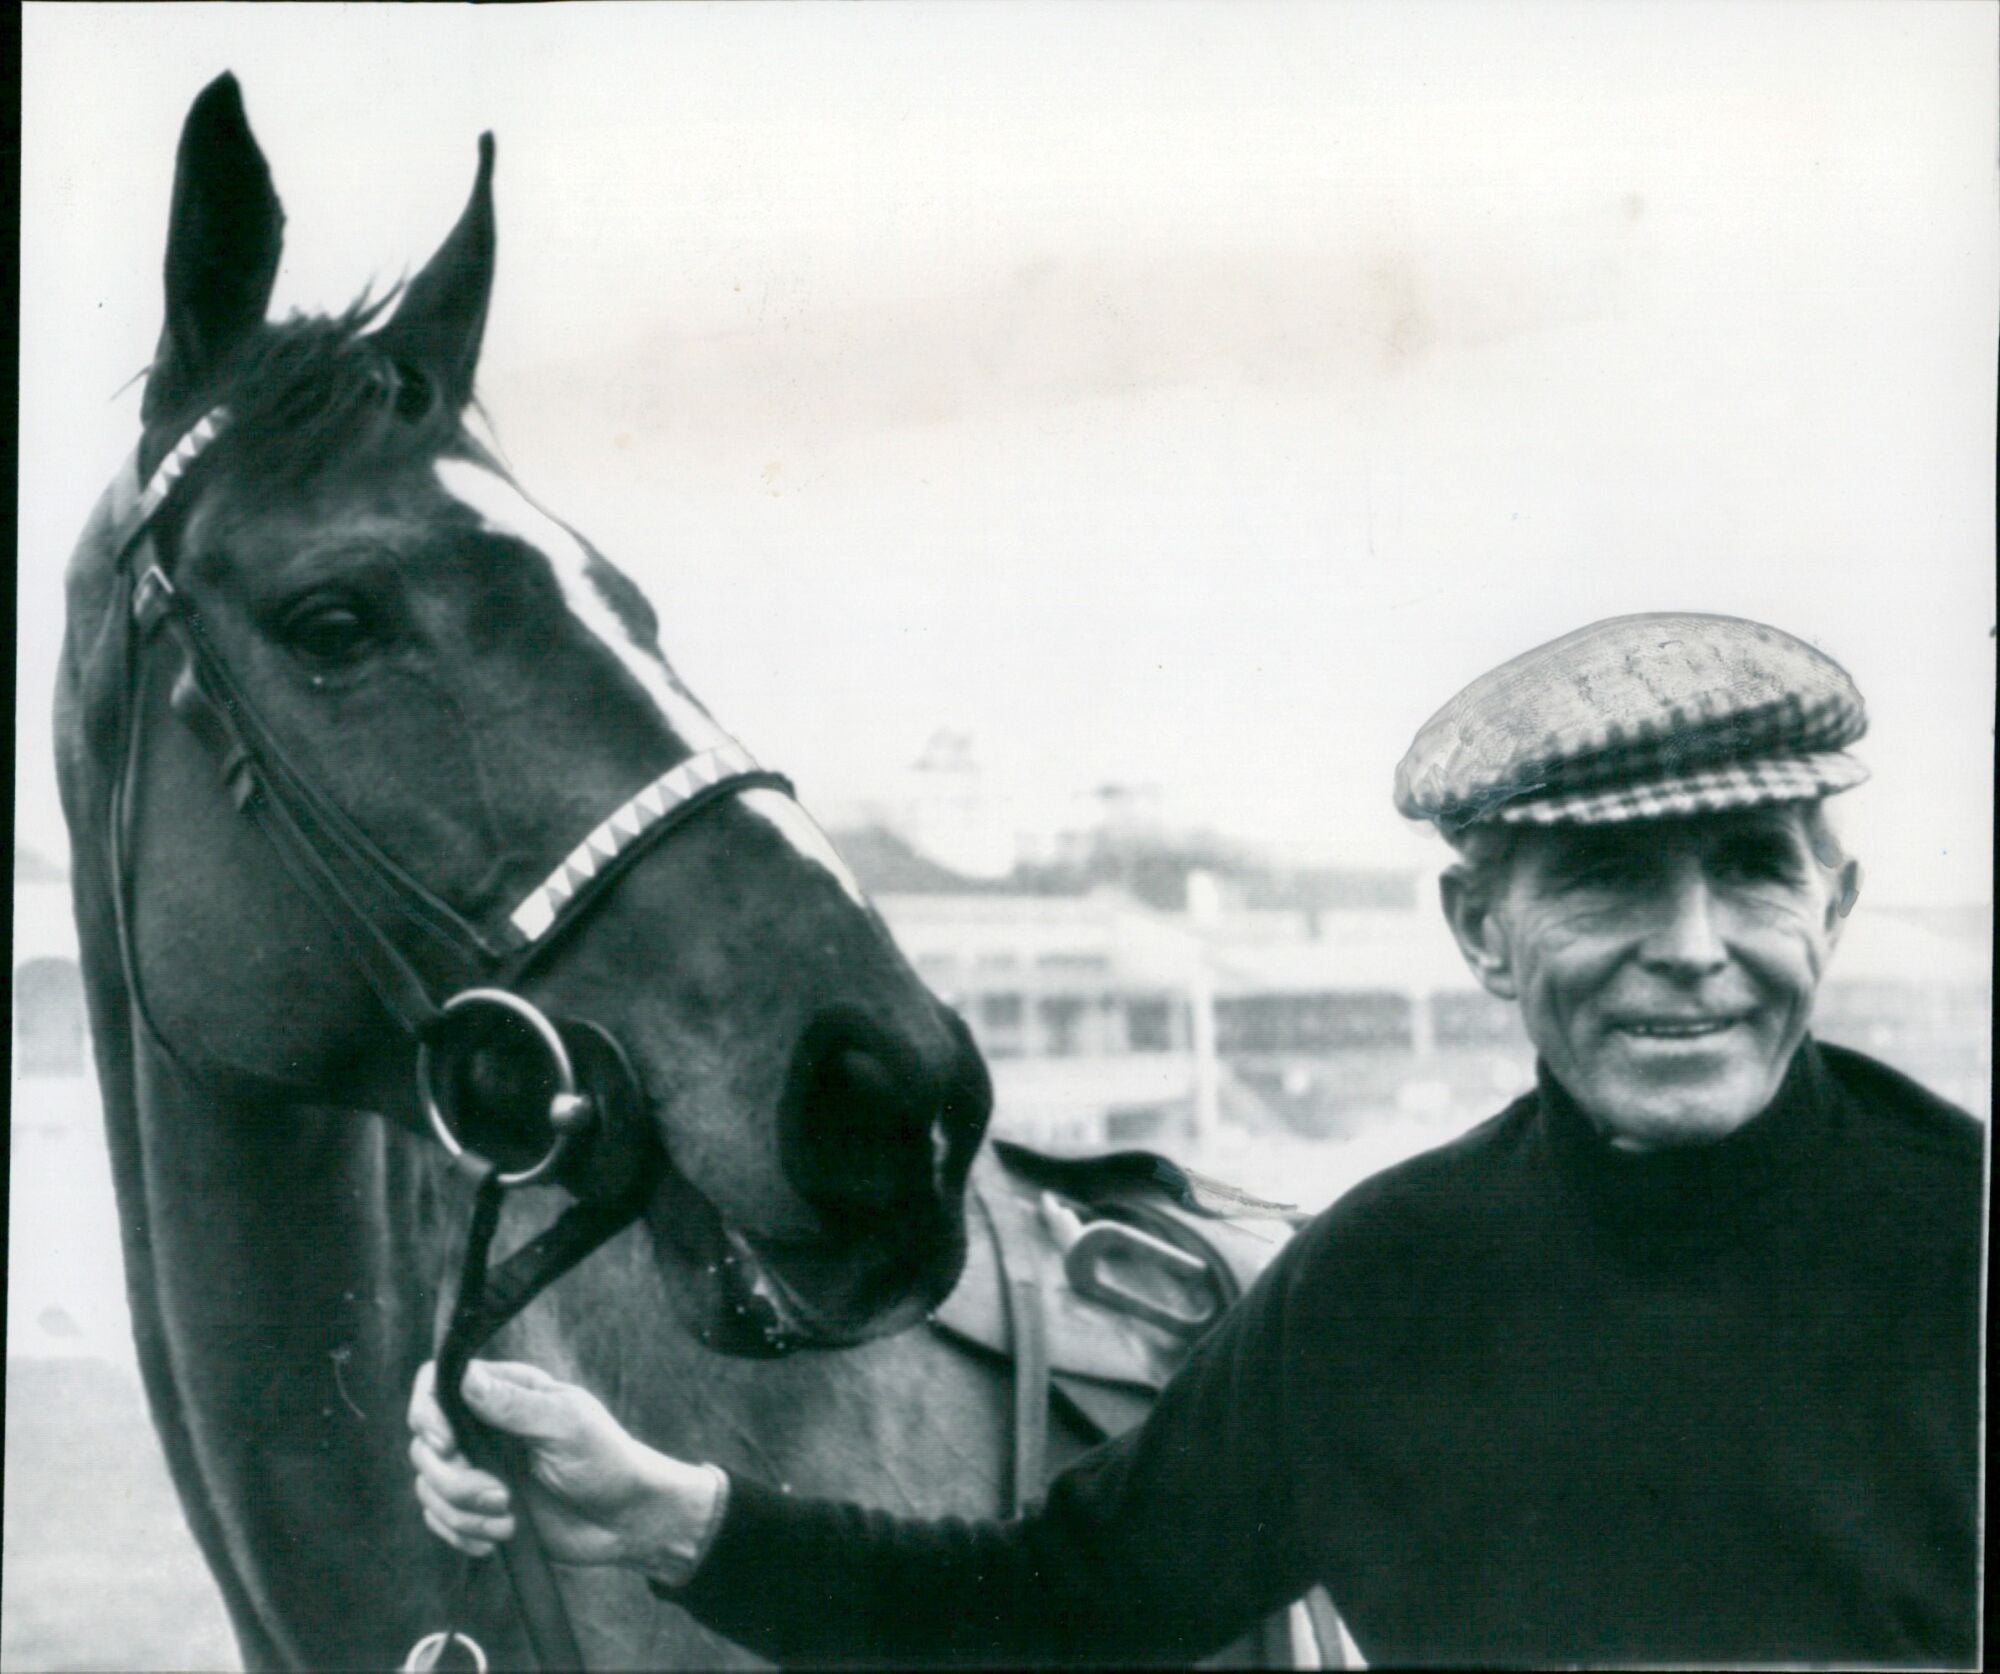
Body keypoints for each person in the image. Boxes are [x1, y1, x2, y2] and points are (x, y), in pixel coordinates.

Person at [409, 611, 1984, 1668]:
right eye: (1610, 881)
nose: (1694, 945)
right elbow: (1057, 1607)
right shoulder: (1386, 1281)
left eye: (1752, 869)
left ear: (1833, 905)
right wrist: (666, 1512)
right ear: (1483, 931)